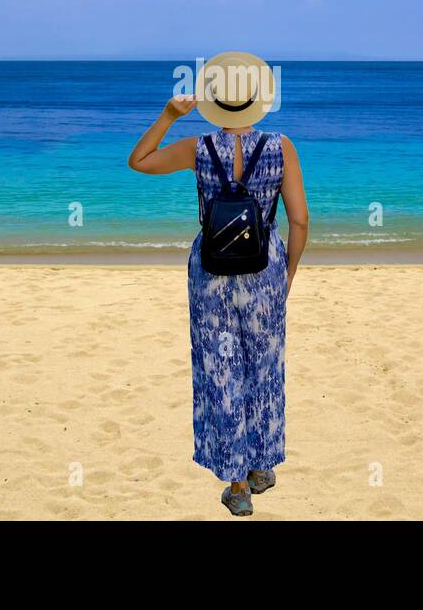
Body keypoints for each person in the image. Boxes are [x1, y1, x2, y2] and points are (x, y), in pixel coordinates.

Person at [127, 51, 309, 516]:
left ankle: (238, 485)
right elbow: (301, 221)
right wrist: (285, 276)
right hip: (264, 270)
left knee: (220, 369)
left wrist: (168, 115)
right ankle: (261, 465)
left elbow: (139, 161)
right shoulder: (281, 146)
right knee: (263, 368)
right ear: (257, 101)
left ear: (214, 102)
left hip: (209, 274)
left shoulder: (197, 147)